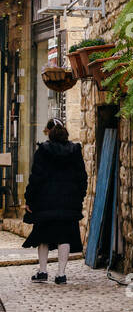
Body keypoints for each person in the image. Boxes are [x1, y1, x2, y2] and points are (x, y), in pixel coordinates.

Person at [24, 119, 87, 284]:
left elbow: (35, 178)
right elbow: (82, 177)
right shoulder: (75, 151)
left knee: (43, 236)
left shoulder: (43, 151)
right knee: (64, 237)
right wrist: (79, 197)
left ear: (50, 135)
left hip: (45, 202)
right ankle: (61, 274)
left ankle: (43, 271)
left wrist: (29, 199)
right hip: (69, 202)